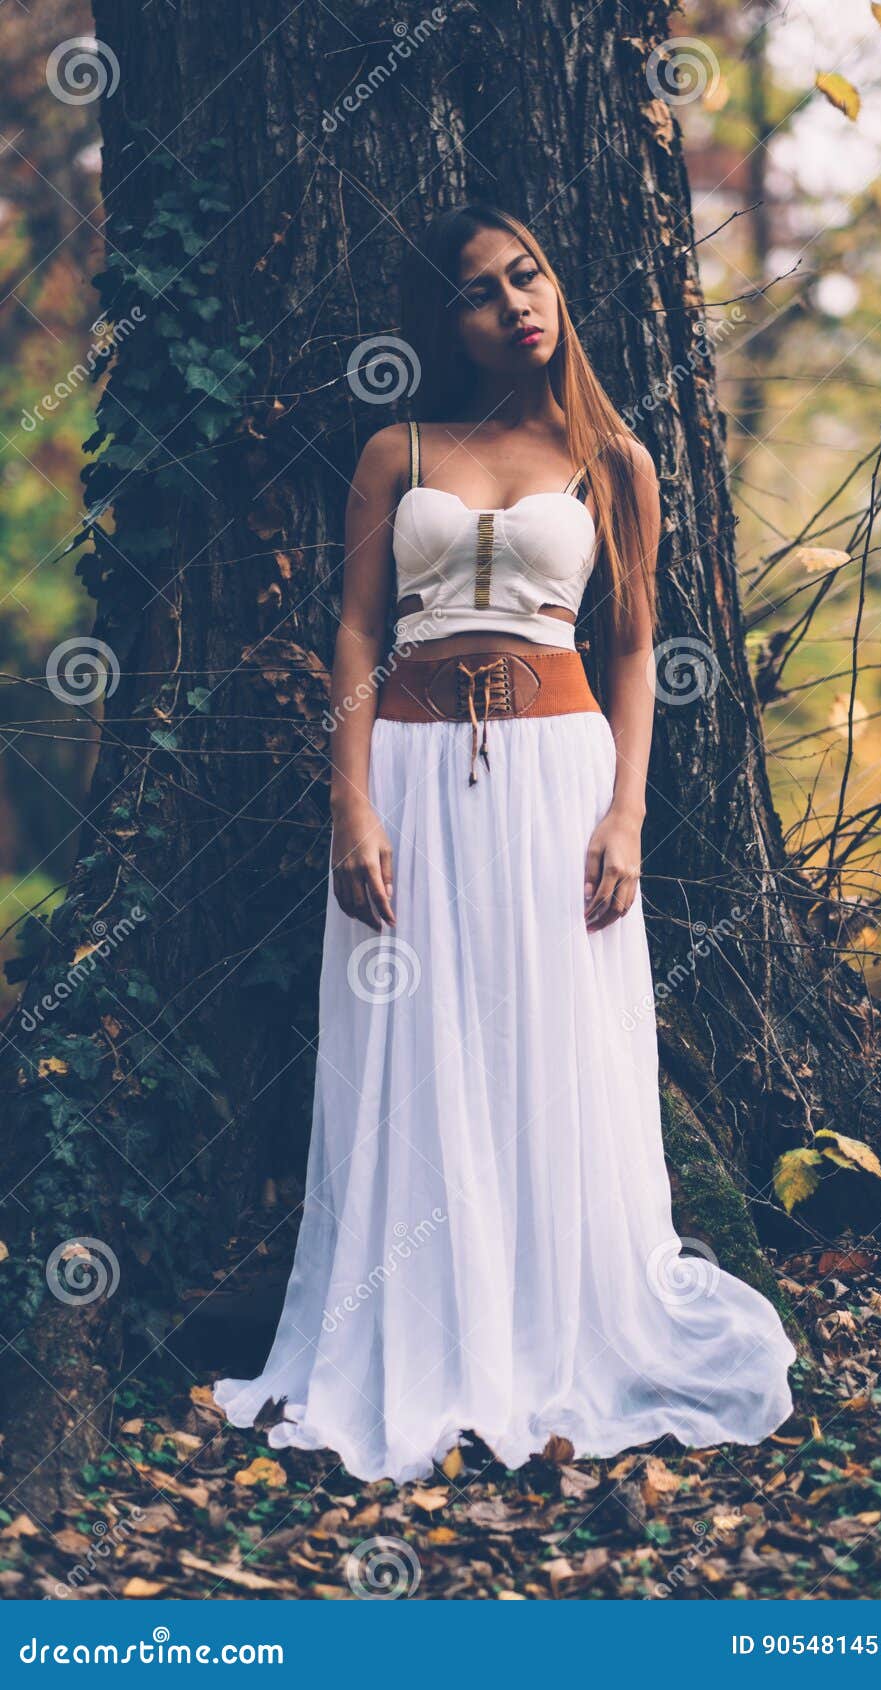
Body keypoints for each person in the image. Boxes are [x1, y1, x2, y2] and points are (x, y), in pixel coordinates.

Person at [212, 204, 794, 1483]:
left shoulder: (614, 462)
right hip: (411, 774)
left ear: (555, 280)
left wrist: (625, 812)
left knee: (548, 1042)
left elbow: (632, 646)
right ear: (449, 323)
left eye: (528, 272)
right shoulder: (395, 450)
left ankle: (546, 1324)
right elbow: (358, 635)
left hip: (557, 778)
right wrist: (349, 801)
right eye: (481, 292)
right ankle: (420, 1328)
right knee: (415, 1043)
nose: (515, 302)